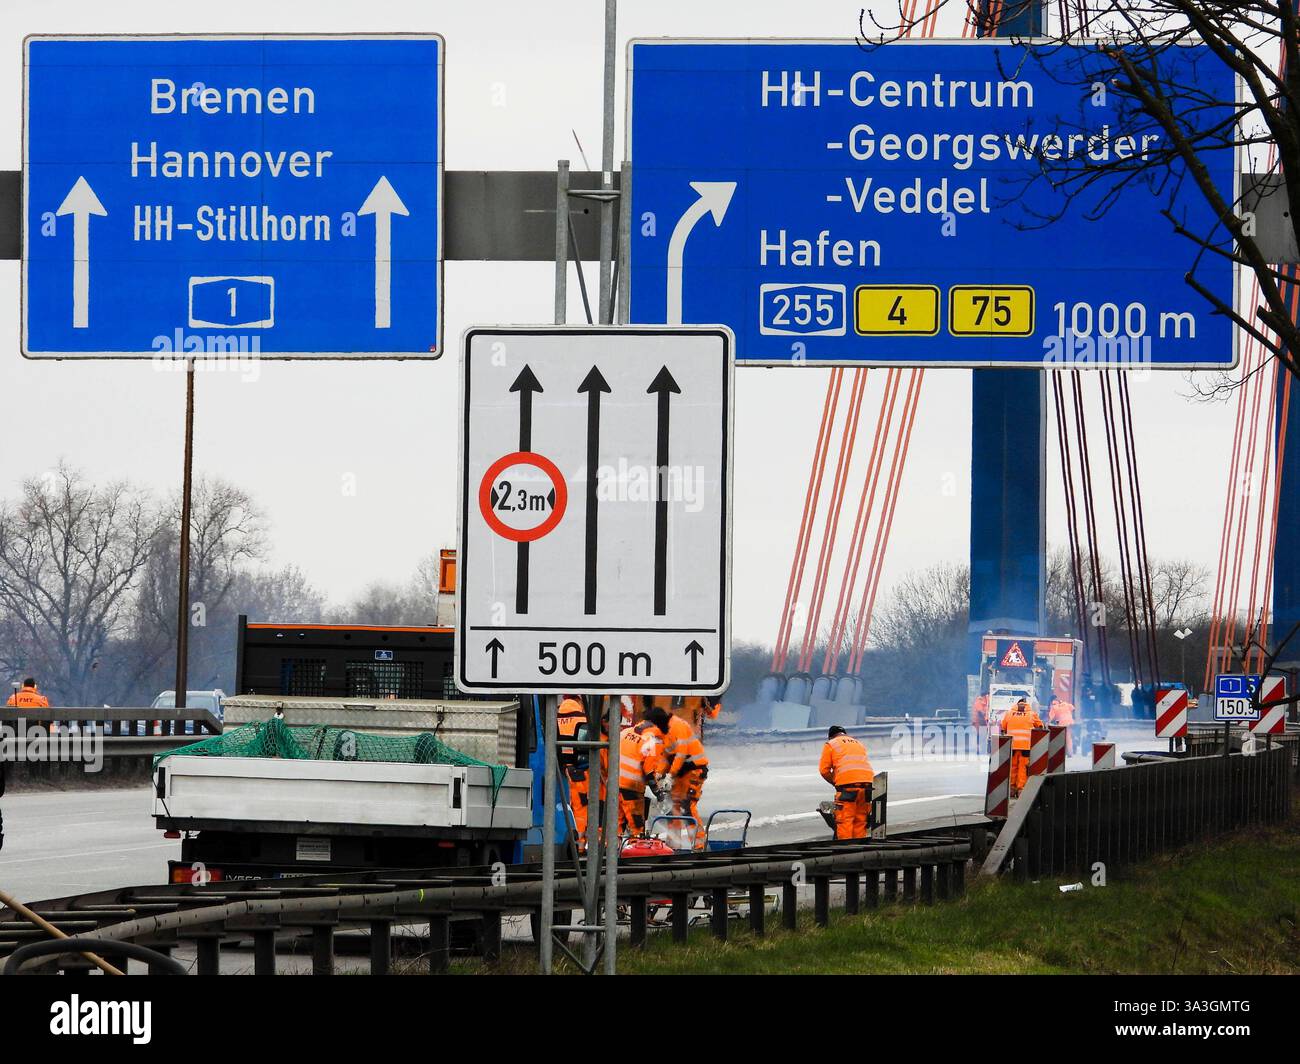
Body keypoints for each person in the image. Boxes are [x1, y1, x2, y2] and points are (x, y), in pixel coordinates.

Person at [646, 705, 709, 850]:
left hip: (694, 770)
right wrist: (659, 774)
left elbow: (680, 755)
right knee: (673, 808)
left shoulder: (677, 726)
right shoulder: (664, 731)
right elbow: (665, 757)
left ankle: (699, 845)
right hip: (681, 774)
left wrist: (670, 775)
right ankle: (674, 845)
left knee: (687, 806)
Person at [818, 725, 875, 839]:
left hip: (847, 787)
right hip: (867, 785)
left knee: (845, 821)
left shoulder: (831, 744)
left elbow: (824, 770)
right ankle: (859, 850)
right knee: (860, 821)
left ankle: (845, 850)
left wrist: (835, 782)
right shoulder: (858, 743)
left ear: (831, 736)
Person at [617, 716, 667, 837]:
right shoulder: (649, 742)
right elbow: (648, 771)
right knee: (637, 827)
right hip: (632, 790)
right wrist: (657, 792)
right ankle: (633, 854)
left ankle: (611, 852)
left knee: (616, 824)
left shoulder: (624, 733)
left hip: (614, 786)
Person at [556, 694, 592, 851]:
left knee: (566, 804)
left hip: (560, 769)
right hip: (579, 769)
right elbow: (589, 745)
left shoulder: (553, 716)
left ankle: (576, 842)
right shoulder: (583, 719)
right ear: (579, 700)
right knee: (581, 806)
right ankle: (580, 844)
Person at [1000, 696, 1043, 797]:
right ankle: (1020, 789)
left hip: (1013, 746)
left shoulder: (1009, 714)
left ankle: (1011, 789)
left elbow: (1003, 727)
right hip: (1026, 746)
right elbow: (1040, 726)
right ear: (1027, 705)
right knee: (1023, 768)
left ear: (1016, 704)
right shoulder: (1032, 714)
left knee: (1013, 767)